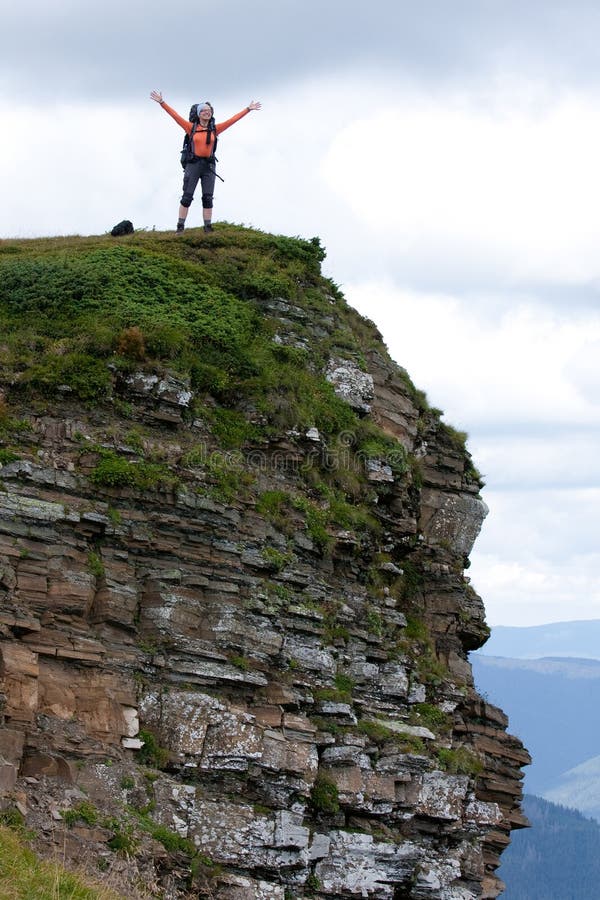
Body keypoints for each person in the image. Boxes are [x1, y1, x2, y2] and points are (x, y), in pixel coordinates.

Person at [150, 90, 261, 233]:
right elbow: (175, 116)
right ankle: (180, 227)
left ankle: (208, 228)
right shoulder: (191, 128)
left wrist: (248, 109)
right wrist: (162, 103)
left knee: (208, 198)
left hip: (209, 166)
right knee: (187, 197)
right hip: (193, 165)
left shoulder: (215, 129)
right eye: (203, 110)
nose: (207, 113)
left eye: (209, 111)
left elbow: (232, 120)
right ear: (198, 113)